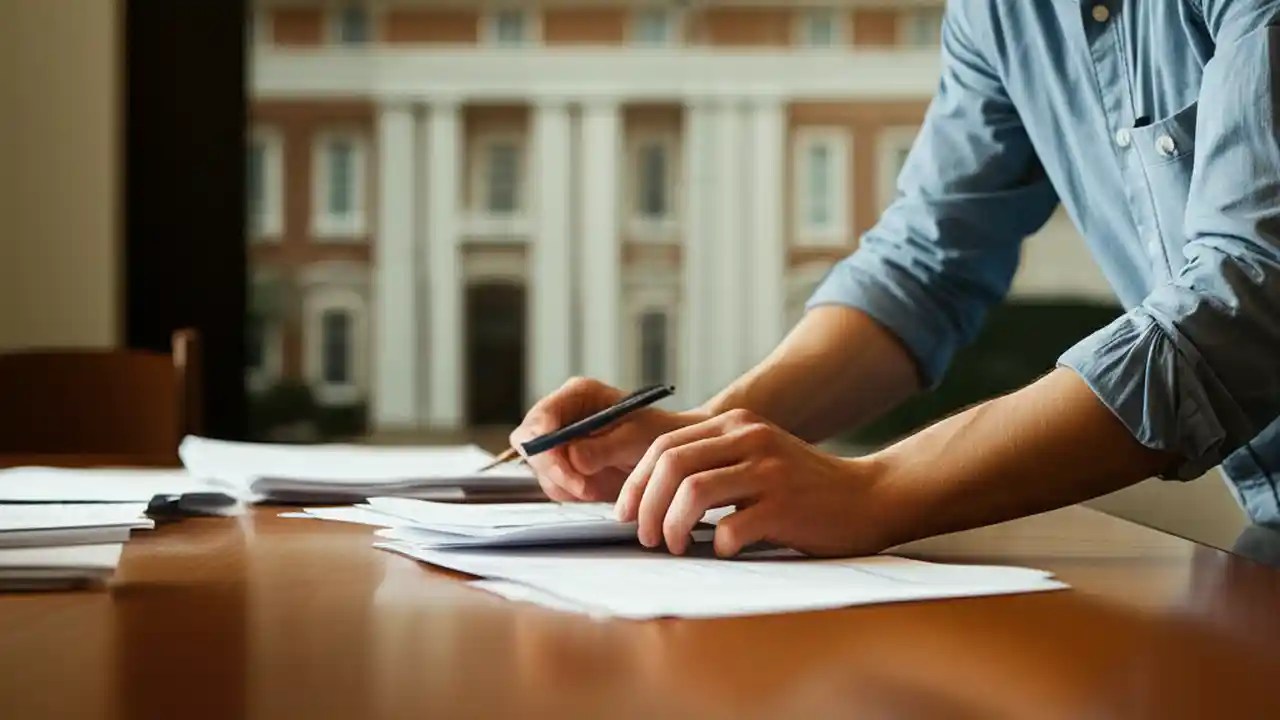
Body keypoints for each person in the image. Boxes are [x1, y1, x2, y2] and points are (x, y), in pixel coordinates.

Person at [512, 1, 1280, 558]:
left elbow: (1249, 297)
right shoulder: (998, 16)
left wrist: (876, 490)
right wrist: (705, 437)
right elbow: (922, 271)